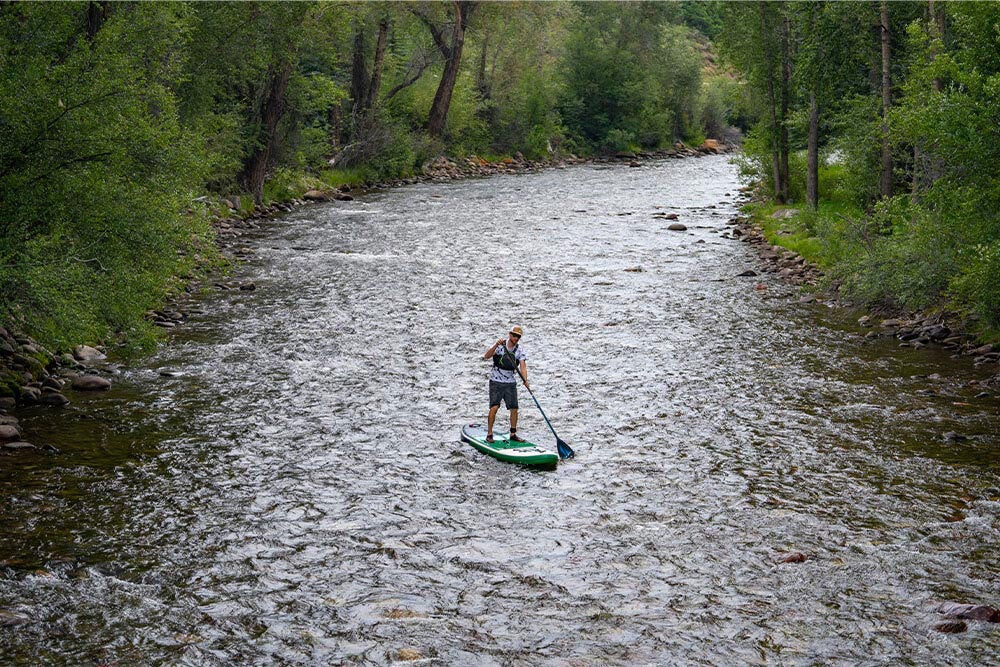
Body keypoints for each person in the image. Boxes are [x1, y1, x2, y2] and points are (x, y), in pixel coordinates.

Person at [483, 325, 529, 443]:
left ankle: (513, 434)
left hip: (510, 383)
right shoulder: (500, 346)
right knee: (494, 407)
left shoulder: (520, 350)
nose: (516, 338)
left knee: (514, 408)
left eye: (518, 337)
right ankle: (489, 434)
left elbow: (523, 366)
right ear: (510, 335)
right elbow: (486, 356)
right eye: (514, 335)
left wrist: (525, 380)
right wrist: (495, 345)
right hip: (496, 381)